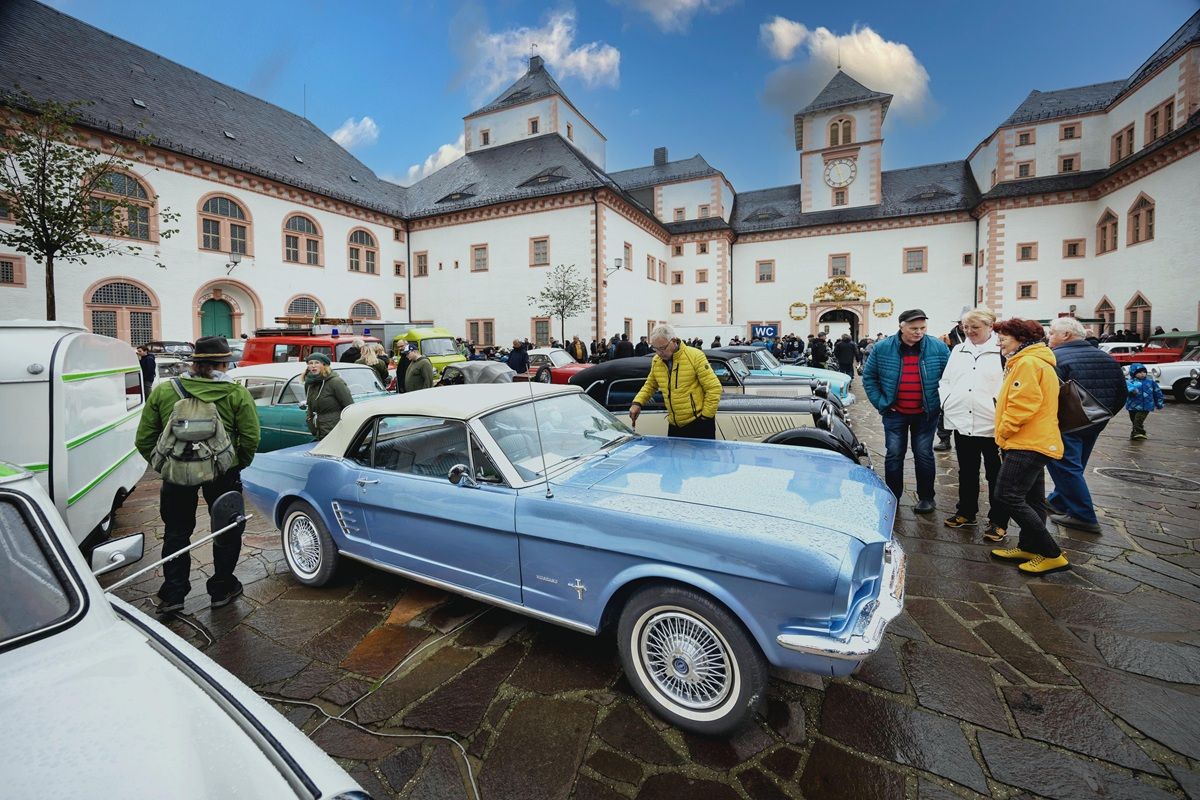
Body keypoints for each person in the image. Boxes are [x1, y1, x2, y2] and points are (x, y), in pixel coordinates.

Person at [135, 336, 260, 615]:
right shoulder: (236, 393)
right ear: (224, 363)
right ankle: (221, 589)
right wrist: (236, 464)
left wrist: (164, 466)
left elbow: (144, 438)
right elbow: (251, 437)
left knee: (176, 532)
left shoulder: (165, 391)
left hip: (176, 474)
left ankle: (174, 594)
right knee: (226, 530)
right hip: (222, 473)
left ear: (194, 363)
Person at [989, 318, 1069, 575]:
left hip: (1027, 441)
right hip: (1034, 440)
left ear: (1021, 339)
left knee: (1007, 495)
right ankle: (1030, 546)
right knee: (1033, 499)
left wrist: (1003, 432)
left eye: (1004, 338)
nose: (999, 342)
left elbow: (1023, 405)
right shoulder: (1031, 360)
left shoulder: (1028, 362)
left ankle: (1051, 554)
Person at [862, 309, 951, 513]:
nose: (919, 332)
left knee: (923, 454)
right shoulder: (882, 348)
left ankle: (926, 497)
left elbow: (949, 378)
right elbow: (869, 377)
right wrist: (881, 402)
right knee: (894, 454)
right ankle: (893, 497)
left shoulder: (938, 347)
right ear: (901, 327)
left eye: (922, 328)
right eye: (914, 328)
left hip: (925, 413)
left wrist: (938, 403)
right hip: (895, 413)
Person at [1045, 317, 1126, 534]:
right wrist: (1104, 415)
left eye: (1052, 332)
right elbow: (1122, 392)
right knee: (1075, 465)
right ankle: (1057, 500)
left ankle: (1083, 515)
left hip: (1066, 424)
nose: (1048, 336)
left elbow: (1048, 395)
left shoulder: (1055, 358)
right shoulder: (1105, 357)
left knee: (1065, 467)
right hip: (1096, 421)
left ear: (1066, 335)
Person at [937, 308, 1006, 538]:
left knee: (995, 474)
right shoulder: (959, 350)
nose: (969, 331)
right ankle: (966, 512)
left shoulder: (1001, 350)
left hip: (992, 424)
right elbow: (946, 380)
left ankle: (998, 520)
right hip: (963, 421)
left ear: (989, 326)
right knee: (966, 471)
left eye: (975, 327)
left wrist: (998, 407)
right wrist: (946, 401)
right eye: (966, 327)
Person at [629, 324, 722, 439]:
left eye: (662, 348)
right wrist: (637, 403)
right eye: (655, 349)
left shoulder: (695, 356)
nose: (659, 353)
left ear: (674, 341)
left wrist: (706, 416)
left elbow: (714, 387)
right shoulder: (657, 361)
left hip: (699, 423)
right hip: (674, 424)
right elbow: (650, 385)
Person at [304, 353, 353, 440]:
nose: (313, 366)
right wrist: (310, 421)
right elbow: (309, 406)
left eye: (317, 363)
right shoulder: (309, 383)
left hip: (335, 429)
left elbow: (349, 407)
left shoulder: (335, 382)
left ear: (324, 365)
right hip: (318, 429)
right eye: (310, 363)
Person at [1125, 362, 1164, 439]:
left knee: (1138, 420)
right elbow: (1124, 392)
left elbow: (1157, 393)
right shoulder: (1130, 382)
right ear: (1133, 373)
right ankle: (1135, 433)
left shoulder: (1150, 382)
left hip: (1146, 406)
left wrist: (1159, 403)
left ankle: (1139, 433)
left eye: (1144, 372)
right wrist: (1130, 392)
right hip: (1132, 406)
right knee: (1134, 420)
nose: (1142, 374)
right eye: (1139, 372)